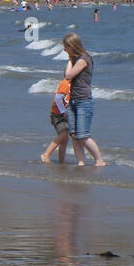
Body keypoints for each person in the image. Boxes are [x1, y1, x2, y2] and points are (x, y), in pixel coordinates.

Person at [63, 33, 106, 167]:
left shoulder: (83, 59)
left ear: (72, 46)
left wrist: (70, 60)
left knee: (82, 135)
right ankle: (80, 162)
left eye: (66, 47)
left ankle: (99, 160)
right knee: (74, 135)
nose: (64, 50)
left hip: (83, 101)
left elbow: (68, 76)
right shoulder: (76, 60)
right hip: (73, 100)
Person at [41, 78, 72, 164]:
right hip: (57, 115)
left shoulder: (73, 85)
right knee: (63, 135)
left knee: (65, 139)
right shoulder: (65, 83)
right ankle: (46, 154)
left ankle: (61, 161)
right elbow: (58, 98)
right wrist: (63, 111)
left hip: (65, 114)